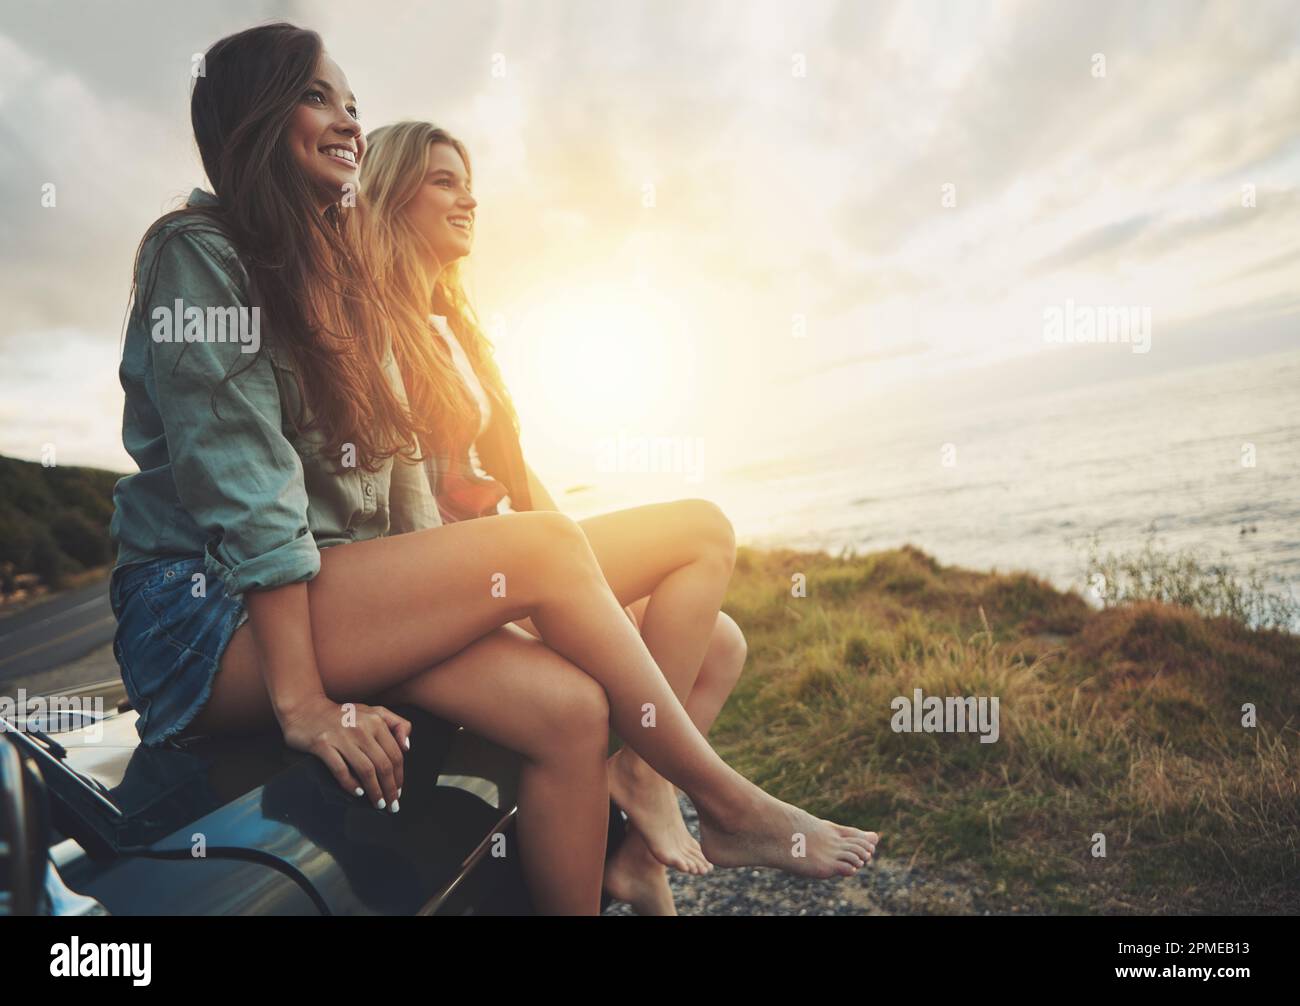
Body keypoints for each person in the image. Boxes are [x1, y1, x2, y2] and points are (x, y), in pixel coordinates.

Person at [109, 22, 878, 917]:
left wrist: (469, 600)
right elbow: (245, 487)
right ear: (253, 116)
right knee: (549, 547)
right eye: (318, 97)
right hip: (206, 618)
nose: (349, 120)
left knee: (567, 709)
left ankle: (621, 856)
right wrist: (307, 704)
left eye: (354, 103)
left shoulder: (342, 279)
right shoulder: (197, 251)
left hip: (329, 590)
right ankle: (726, 801)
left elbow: (398, 486)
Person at [360, 120, 764, 914]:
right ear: (390, 192)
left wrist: (578, 566)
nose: (467, 196)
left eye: (467, 179)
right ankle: (644, 786)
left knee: (718, 643)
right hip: (451, 575)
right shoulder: (370, 317)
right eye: (443, 180)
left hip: (516, 553)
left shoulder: (457, 325)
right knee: (703, 529)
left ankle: (631, 832)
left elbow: (510, 473)